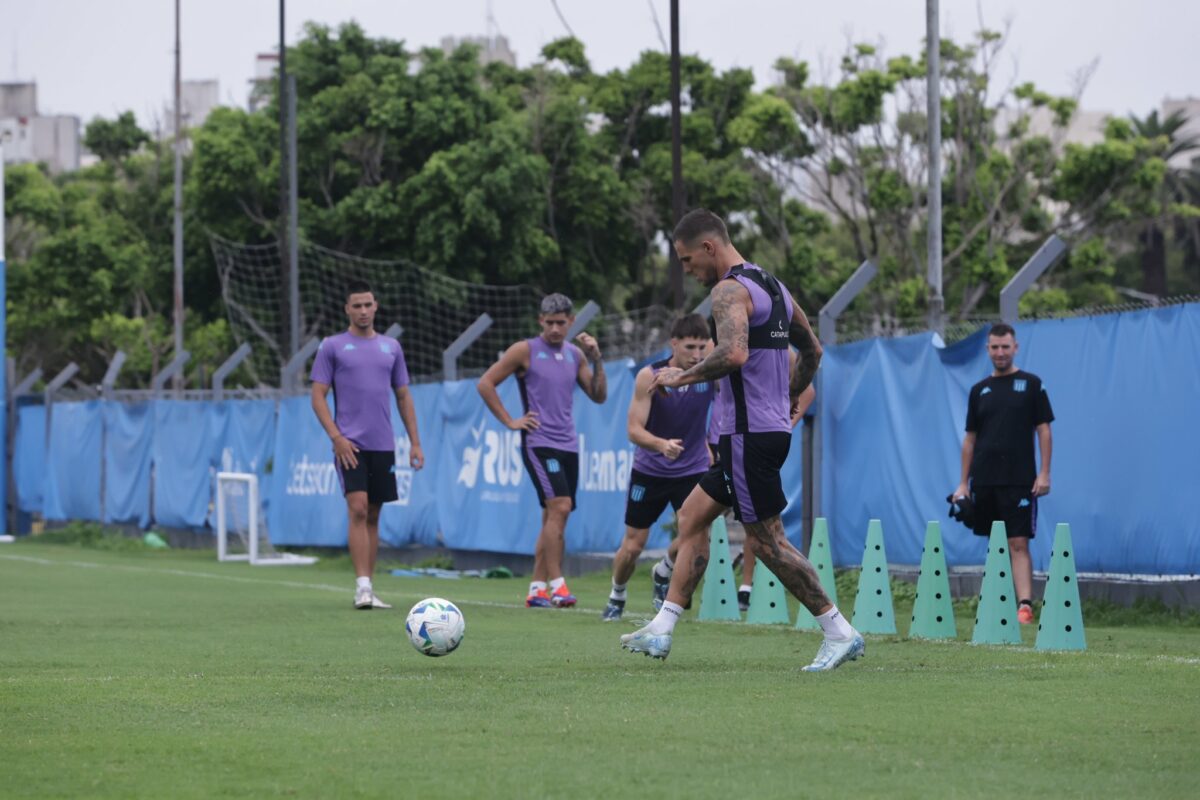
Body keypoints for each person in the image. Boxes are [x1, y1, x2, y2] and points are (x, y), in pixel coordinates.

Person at [620, 209, 864, 671]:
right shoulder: (772, 285)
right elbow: (812, 350)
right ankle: (663, 627)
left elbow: (733, 353)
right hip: (753, 432)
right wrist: (789, 396)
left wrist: (680, 376)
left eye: (688, 260)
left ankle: (838, 630)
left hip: (748, 436)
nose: (687, 270)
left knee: (768, 542)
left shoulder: (729, 289)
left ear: (709, 248)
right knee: (691, 517)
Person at [477, 293, 607, 608]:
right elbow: (485, 383)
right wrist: (510, 420)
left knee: (553, 516)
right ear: (540, 321)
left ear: (571, 322)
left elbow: (599, 396)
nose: (554, 329)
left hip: (568, 445)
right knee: (560, 507)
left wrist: (597, 358)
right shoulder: (524, 350)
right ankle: (558, 585)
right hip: (538, 443)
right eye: (548, 323)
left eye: (560, 323)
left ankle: (536, 589)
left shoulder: (576, 355)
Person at [311, 280, 424, 610]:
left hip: (383, 445)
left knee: (374, 513)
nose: (362, 311)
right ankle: (361, 586)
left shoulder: (391, 348)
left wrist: (415, 443)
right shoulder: (332, 346)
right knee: (358, 507)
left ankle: (370, 586)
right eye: (356, 305)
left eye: (367, 305)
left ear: (376, 307)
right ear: (347, 309)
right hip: (350, 444)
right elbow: (317, 396)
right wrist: (336, 437)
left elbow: (403, 395)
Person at [602, 314, 713, 621]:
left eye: (702, 347)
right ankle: (617, 594)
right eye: (690, 346)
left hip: (692, 470)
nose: (698, 354)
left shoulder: (707, 375)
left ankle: (663, 570)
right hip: (650, 471)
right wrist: (662, 445)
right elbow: (633, 430)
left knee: (697, 535)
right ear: (673, 343)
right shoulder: (648, 376)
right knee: (634, 545)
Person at [952, 322, 1054, 624]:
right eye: (994, 347)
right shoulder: (978, 390)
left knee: (1018, 542)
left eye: (1005, 347)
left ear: (1015, 347)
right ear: (988, 350)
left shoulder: (1032, 384)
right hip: (983, 480)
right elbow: (970, 439)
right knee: (994, 542)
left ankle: (1024, 605)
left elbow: (1044, 430)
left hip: (1020, 479)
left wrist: (1044, 473)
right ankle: (997, 603)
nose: (1000, 352)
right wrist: (962, 484)